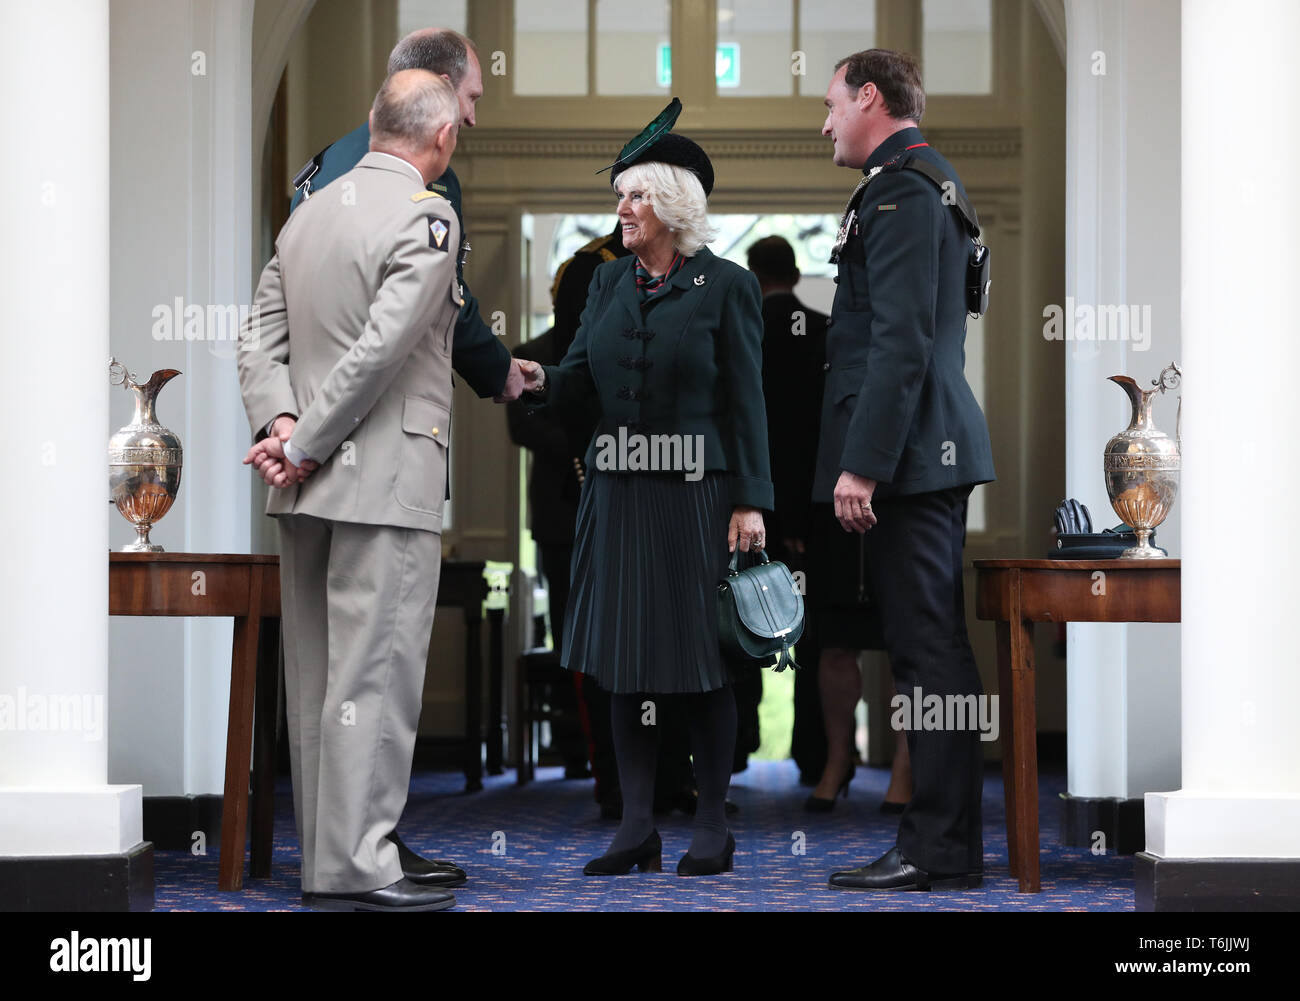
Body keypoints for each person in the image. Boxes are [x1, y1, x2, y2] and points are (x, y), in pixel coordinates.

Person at [237, 69, 471, 911]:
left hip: (301, 488)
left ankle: (326, 866)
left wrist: (281, 428)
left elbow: (257, 340)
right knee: (372, 679)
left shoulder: (306, 214)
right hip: (381, 481)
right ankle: (361, 866)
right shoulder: (427, 214)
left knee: (317, 680)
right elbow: (381, 349)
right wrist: (302, 441)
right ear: (440, 140)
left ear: (375, 124)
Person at [520, 101, 771, 877]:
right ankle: (634, 826)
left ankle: (708, 823)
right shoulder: (602, 284)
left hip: (699, 495)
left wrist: (750, 499)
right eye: (620, 195)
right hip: (618, 494)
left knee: (702, 664)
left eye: (634, 195)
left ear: (671, 205)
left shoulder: (726, 285)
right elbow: (585, 382)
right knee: (624, 663)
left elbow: (746, 400)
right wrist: (538, 380)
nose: (620, 208)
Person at [815, 50, 995, 891]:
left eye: (832, 106)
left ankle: (937, 847)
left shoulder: (902, 188)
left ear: (871, 99)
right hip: (924, 452)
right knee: (930, 647)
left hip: (915, 456)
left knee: (928, 650)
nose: (826, 125)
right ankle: (943, 845)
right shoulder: (922, 182)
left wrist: (865, 466)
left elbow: (900, 343)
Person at [291, 28, 527, 404]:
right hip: (387, 406)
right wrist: (499, 369)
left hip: (313, 402)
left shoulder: (321, 167)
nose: (472, 118)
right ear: (444, 88)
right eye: (472, 98)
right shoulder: (425, 177)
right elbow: (439, 297)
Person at [744, 236, 828, 782]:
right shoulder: (824, 332)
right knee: (814, 637)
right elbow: (819, 434)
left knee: (737, 624)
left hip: (748, 507)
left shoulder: (743, 334)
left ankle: (733, 749)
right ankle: (815, 755)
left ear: (754, 277)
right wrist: (802, 517)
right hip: (813, 512)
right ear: (795, 275)